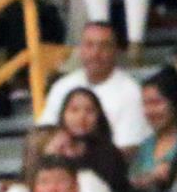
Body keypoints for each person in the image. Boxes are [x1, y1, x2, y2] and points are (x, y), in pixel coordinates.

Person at [42, 21, 150, 153]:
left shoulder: (131, 92)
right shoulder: (62, 86)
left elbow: (127, 149)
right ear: (80, 50)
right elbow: (43, 136)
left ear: (116, 51)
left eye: (104, 46)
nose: (95, 53)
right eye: (89, 45)